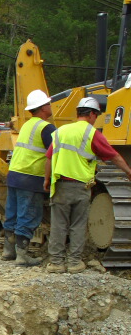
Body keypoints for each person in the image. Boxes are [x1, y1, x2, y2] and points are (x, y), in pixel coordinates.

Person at [44, 96, 131, 273]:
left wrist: (47, 179)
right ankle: (74, 262)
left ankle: (56, 263)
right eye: (96, 115)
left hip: (59, 184)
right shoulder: (92, 134)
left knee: (59, 224)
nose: (95, 119)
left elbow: (49, 157)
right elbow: (113, 156)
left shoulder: (61, 131)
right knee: (77, 224)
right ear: (91, 114)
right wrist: (129, 172)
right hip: (80, 186)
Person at [2, 89, 55, 267]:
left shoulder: (27, 125)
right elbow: (55, 152)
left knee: (13, 213)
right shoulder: (46, 128)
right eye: (48, 104)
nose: (51, 106)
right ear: (42, 108)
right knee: (29, 214)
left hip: (15, 174)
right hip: (31, 177)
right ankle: (22, 256)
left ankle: (8, 250)